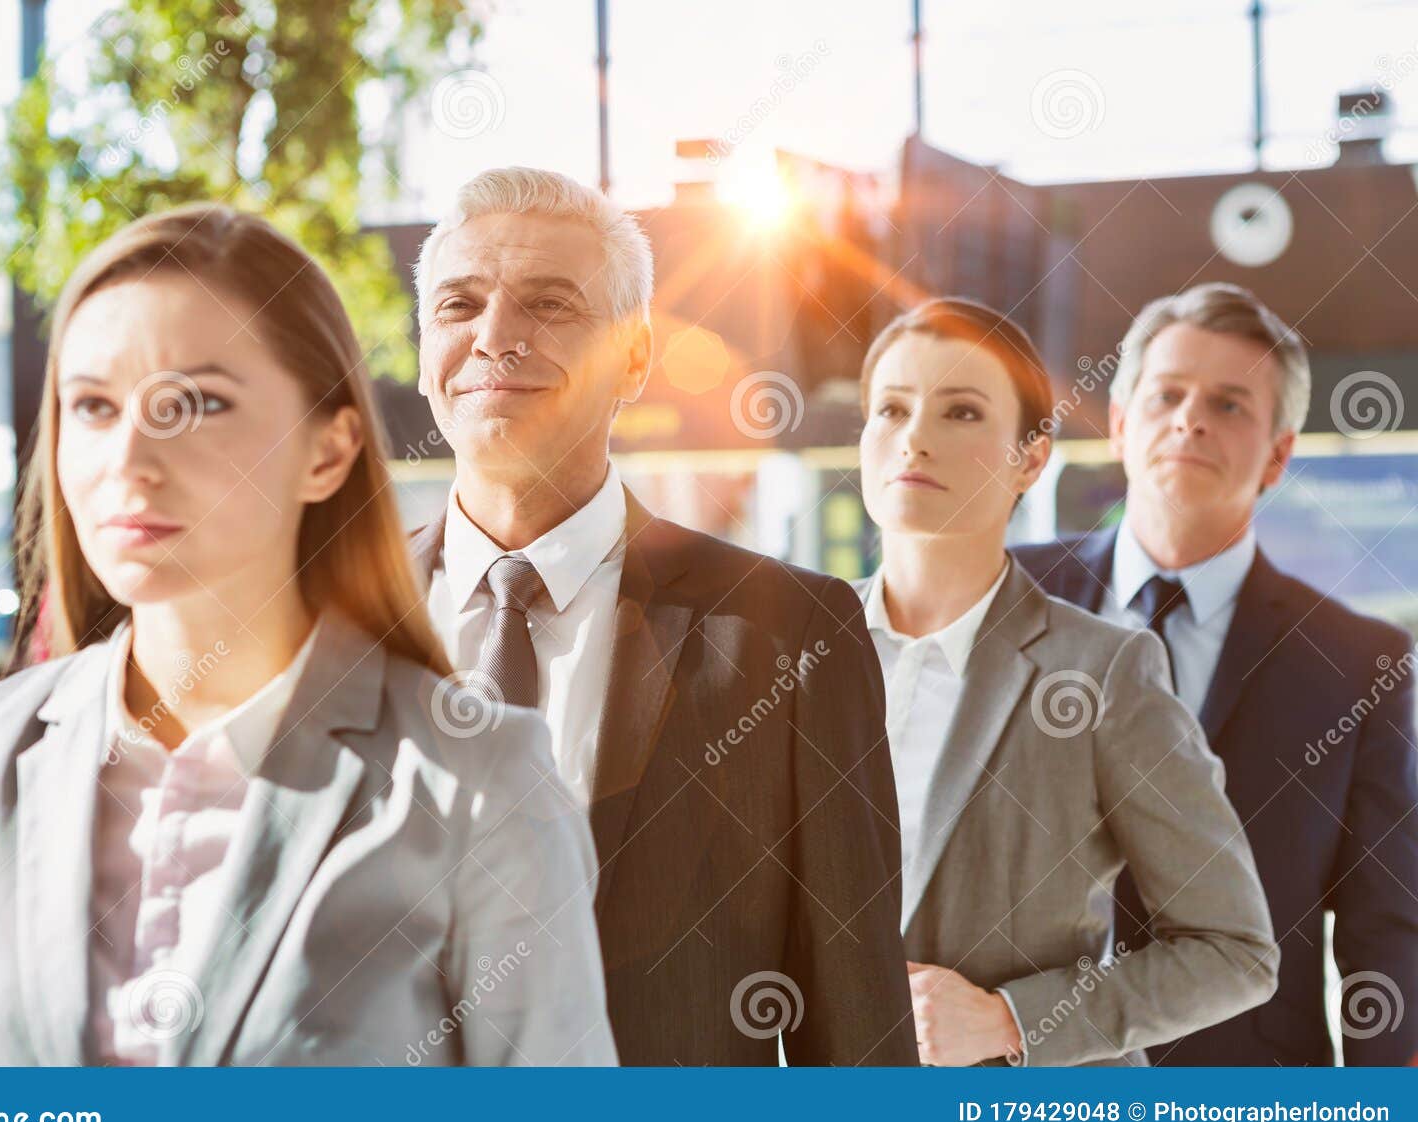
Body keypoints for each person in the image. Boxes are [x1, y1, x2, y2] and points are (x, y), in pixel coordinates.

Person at [0, 204, 615, 1067]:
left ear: (328, 450)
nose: (128, 460)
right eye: (91, 406)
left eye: (194, 403)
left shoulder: (481, 781)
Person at [408, 166, 917, 1065]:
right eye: (459, 305)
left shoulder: (789, 634)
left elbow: (860, 1020)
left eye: (549, 304)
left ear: (634, 359)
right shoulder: (318, 621)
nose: (495, 337)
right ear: (422, 353)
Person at [856, 297, 1278, 1065]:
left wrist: (1011, 1021)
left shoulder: (1103, 672)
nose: (913, 438)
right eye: (890, 408)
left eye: (960, 412)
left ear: (1030, 457)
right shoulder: (794, 651)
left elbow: (1235, 950)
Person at [1014, 282, 1418, 1065]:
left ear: (1278, 453)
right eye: (1167, 394)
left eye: (1230, 404)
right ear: (1123, 425)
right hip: (1021, 1081)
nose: (1190, 419)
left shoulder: (1361, 663)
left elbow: (1387, 926)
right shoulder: (1007, 598)